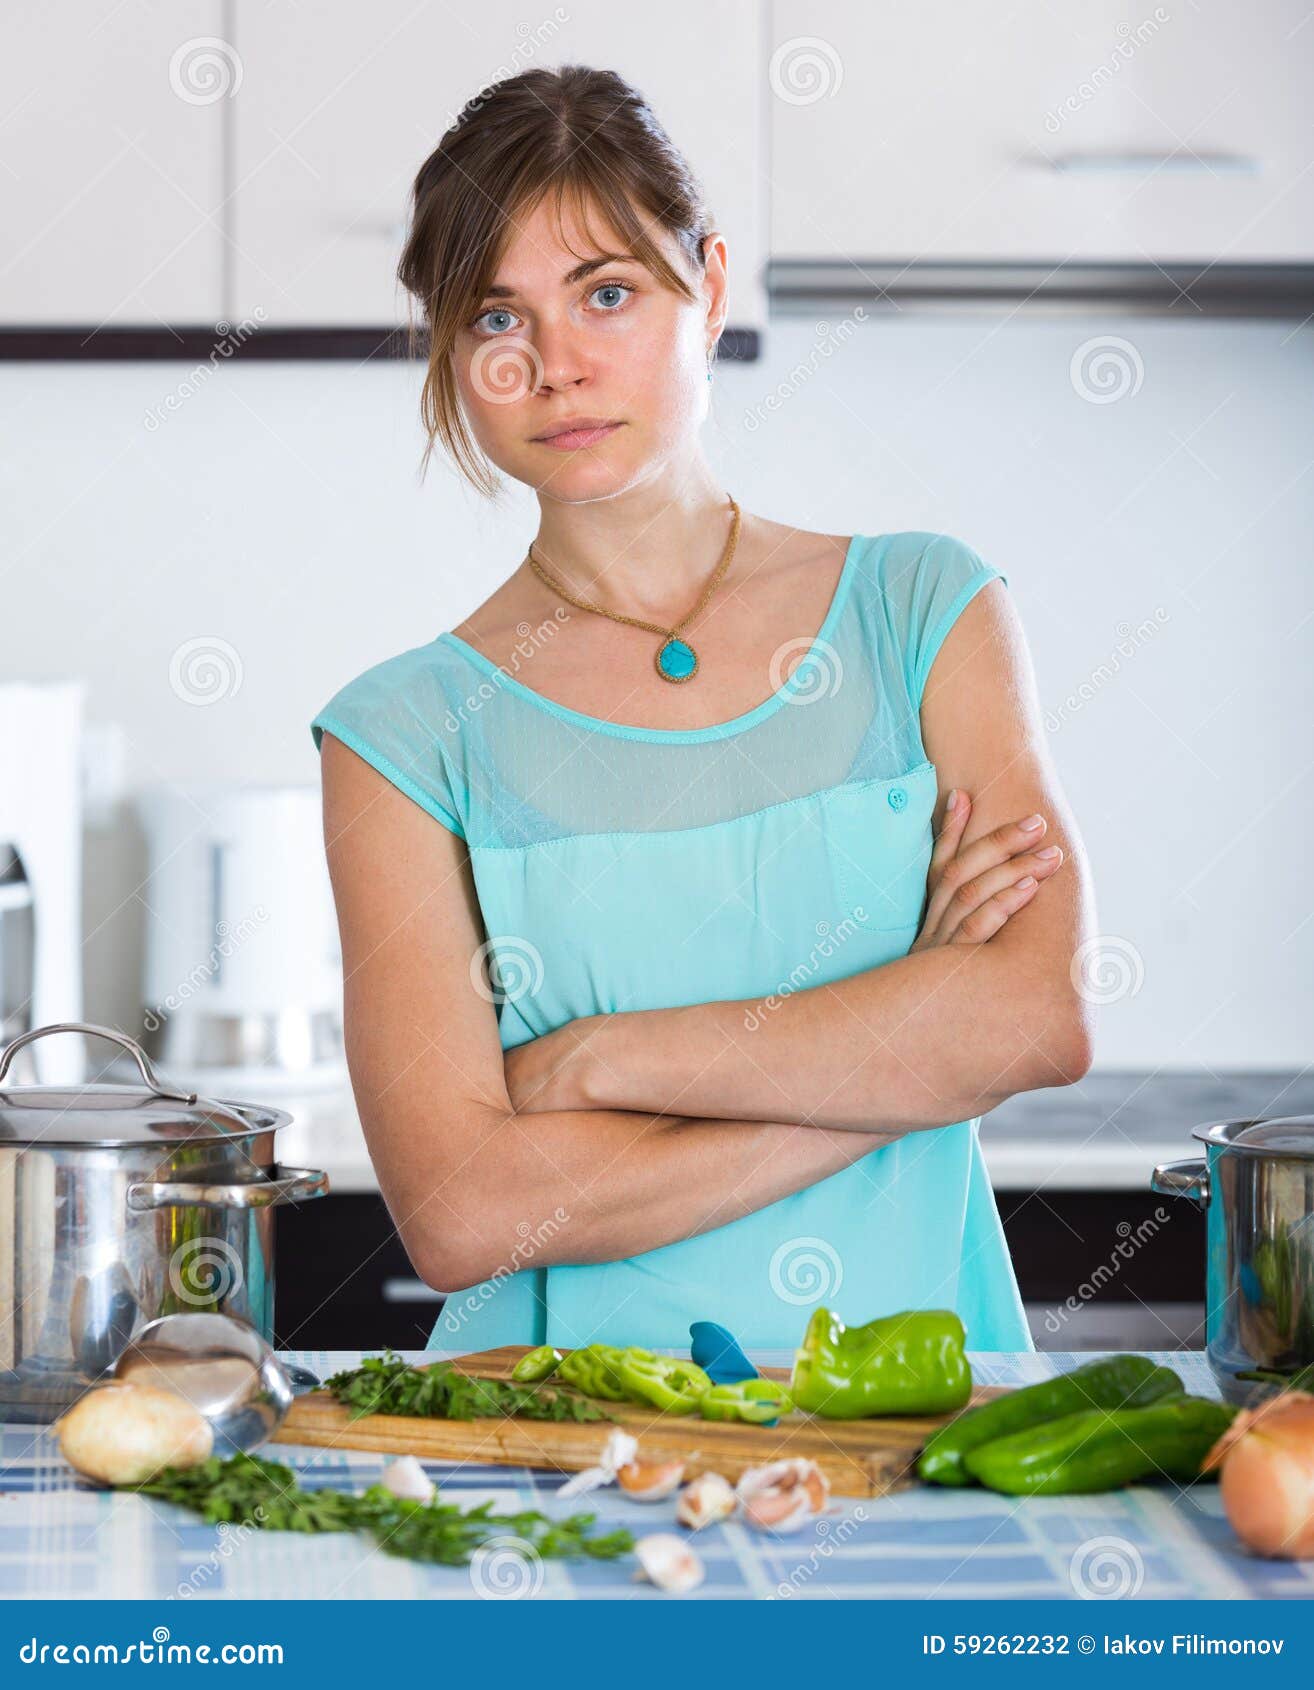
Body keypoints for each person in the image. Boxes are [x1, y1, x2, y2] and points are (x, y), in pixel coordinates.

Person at [310, 65, 1095, 1357]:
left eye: (604, 292)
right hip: (552, 1468)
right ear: (453, 352)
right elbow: (462, 1213)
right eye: (496, 317)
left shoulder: (919, 607)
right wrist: (895, 1062)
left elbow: (1033, 1020)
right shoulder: (400, 737)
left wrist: (594, 1059)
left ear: (708, 285)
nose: (554, 364)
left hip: (910, 1439)